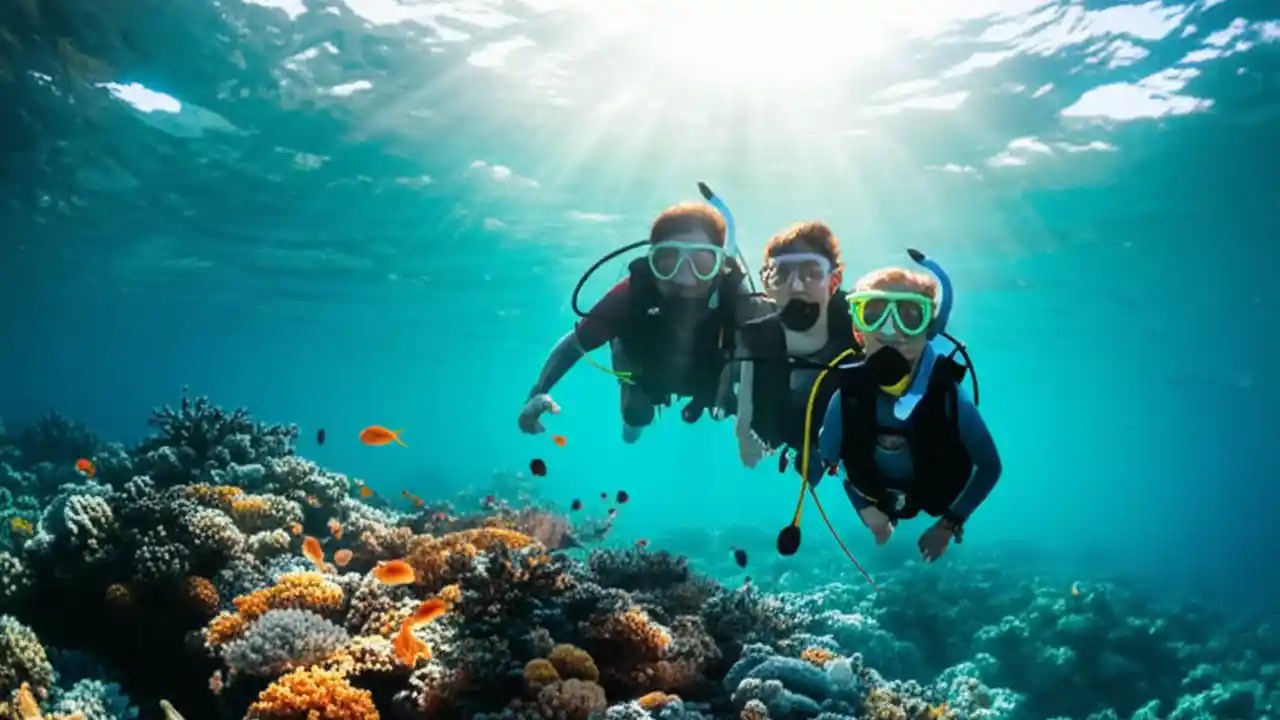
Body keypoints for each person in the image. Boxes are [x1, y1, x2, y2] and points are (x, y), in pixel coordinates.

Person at [815, 255, 1001, 563]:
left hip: (935, 496)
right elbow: (830, 459)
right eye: (873, 313)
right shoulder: (848, 395)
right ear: (858, 331)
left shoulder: (948, 397)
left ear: (928, 330)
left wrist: (949, 523)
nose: (892, 330)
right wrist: (864, 507)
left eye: (910, 315)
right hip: (874, 492)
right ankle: (881, 524)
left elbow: (990, 467)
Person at [518, 200, 751, 443]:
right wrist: (538, 393)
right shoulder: (629, 296)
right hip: (645, 368)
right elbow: (574, 344)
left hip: (708, 371)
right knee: (636, 417)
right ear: (652, 262)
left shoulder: (736, 297)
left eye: (702, 263)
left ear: (720, 265)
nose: (685, 279)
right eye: (669, 262)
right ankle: (630, 395)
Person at [734, 221, 859, 485]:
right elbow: (748, 380)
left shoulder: (859, 333)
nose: (796, 286)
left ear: (833, 282)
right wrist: (743, 432)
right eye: (782, 275)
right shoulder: (758, 335)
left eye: (811, 273)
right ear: (767, 285)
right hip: (784, 426)